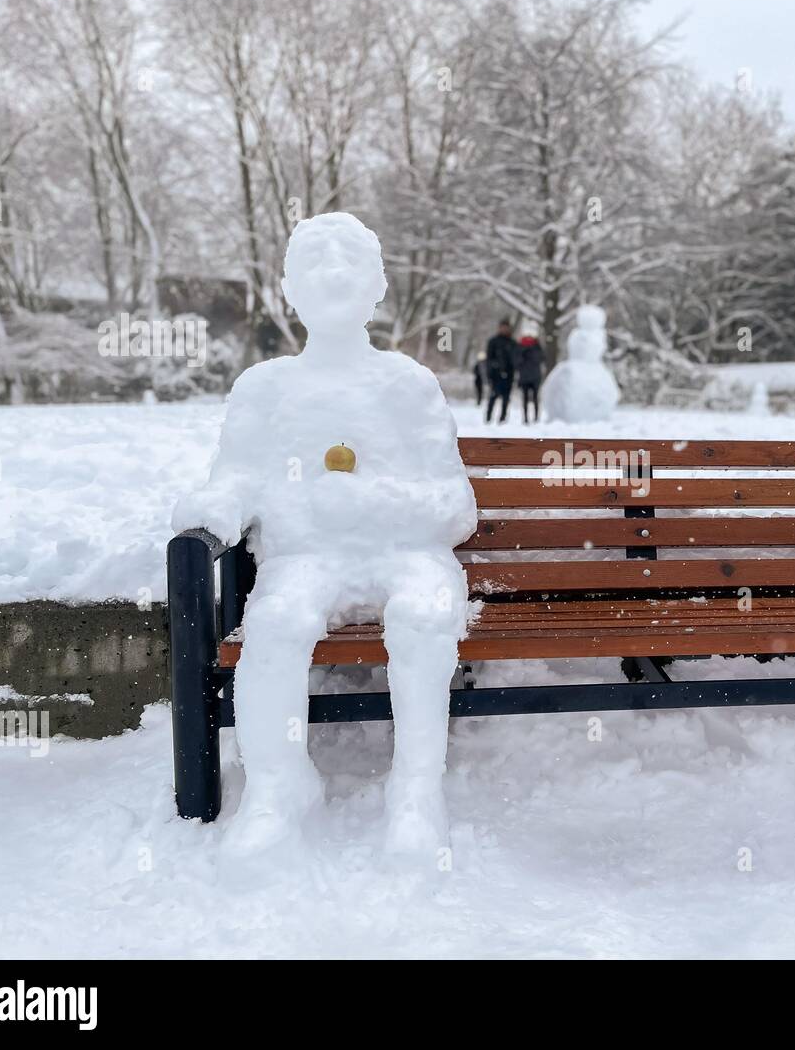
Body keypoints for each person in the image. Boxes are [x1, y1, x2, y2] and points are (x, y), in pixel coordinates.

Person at [173, 212, 477, 861]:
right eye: (314, 257)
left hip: (408, 557)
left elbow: (457, 509)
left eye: (350, 258)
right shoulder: (265, 389)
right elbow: (233, 481)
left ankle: (417, 791)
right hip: (305, 559)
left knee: (423, 616)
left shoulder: (408, 385)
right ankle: (279, 789)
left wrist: (372, 504)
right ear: (288, 286)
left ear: (378, 284)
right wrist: (215, 508)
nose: (333, 270)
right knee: (277, 623)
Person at [484, 319, 517, 423]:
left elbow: (515, 358)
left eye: (506, 327)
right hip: (495, 375)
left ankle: (503, 418)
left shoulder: (512, 343)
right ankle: (488, 418)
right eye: (502, 327)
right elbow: (489, 358)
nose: (504, 329)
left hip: (509, 375)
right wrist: (491, 372)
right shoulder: (493, 341)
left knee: (506, 398)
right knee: (493, 396)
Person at [516, 333, 546, 423]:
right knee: (525, 398)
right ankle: (525, 418)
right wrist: (523, 353)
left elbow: (541, 358)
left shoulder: (537, 346)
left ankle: (536, 418)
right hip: (524, 377)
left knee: (535, 398)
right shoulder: (519, 347)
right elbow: (516, 361)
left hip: (535, 377)